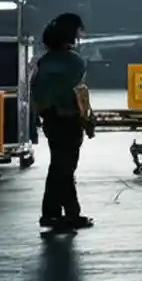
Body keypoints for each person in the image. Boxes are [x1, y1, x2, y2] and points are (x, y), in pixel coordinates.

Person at [30, 13, 95, 230]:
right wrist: (86, 118)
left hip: (50, 119)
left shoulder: (45, 61)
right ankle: (50, 214)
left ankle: (71, 214)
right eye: (78, 30)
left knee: (62, 166)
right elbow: (79, 93)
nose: (80, 34)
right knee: (63, 168)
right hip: (69, 119)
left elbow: (38, 91)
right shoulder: (74, 62)